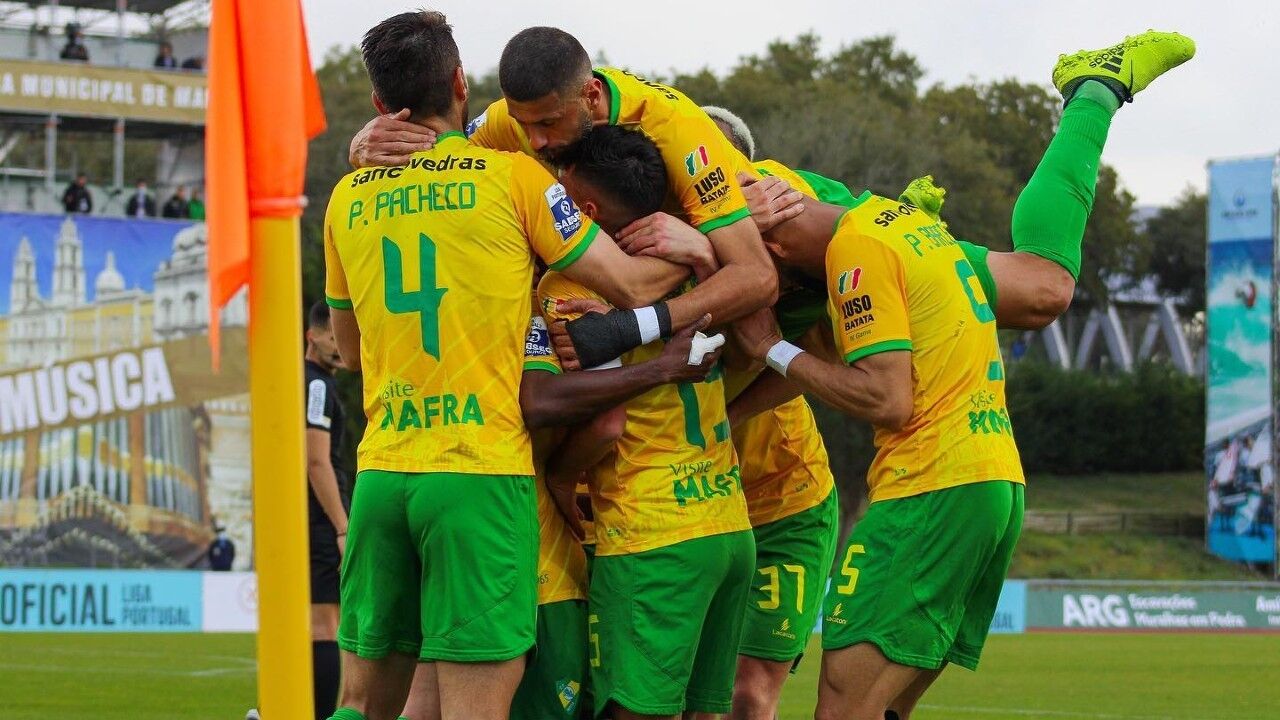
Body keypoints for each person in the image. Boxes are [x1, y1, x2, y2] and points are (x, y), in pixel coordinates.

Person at [724, 31, 1194, 720]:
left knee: (843, 708)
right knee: (1044, 288)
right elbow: (819, 345)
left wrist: (768, 347)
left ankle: (1095, 88)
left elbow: (874, 389)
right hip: (987, 476)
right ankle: (1095, 91)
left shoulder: (773, 208)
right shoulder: (862, 234)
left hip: (930, 485)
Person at [324, 12, 730, 720]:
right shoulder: (513, 178)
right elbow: (631, 285)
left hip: (383, 474)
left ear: (379, 104)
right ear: (461, 82)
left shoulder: (345, 197)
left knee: (360, 705)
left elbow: (351, 353)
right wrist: (700, 248)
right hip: (478, 474)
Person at [348, 26, 780, 366]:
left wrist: (631, 328)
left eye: (548, 124)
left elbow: (758, 278)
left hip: (762, 275)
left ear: (590, 96)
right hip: (660, 312)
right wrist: (363, 147)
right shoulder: (512, 120)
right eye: (522, 124)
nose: (534, 141)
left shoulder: (677, 130)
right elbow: (445, 154)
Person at [304, 301, 350, 720]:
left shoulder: (304, 382)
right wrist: (340, 527)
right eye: (331, 336)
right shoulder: (316, 386)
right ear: (311, 337)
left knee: (305, 626)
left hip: (301, 517)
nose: (338, 345)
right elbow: (316, 461)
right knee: (325, 625)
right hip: (319, 519)